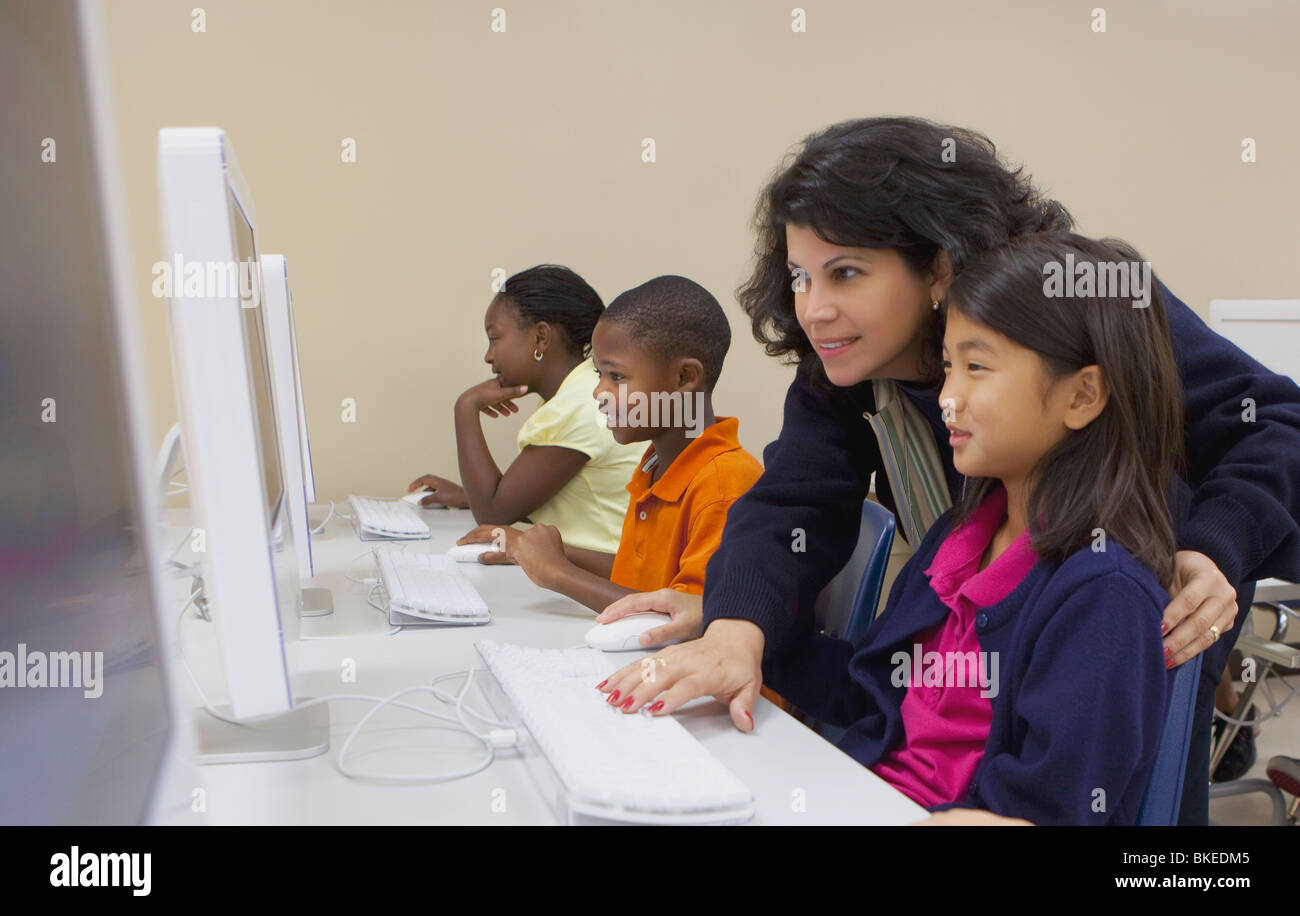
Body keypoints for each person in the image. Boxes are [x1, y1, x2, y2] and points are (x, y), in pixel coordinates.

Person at [594, 117, 1300, 824]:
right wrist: (737, 626)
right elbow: (791, 505)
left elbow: (1271, 420)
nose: (813, 309)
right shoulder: (935, 502)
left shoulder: (1067, 304)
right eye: (800, 276)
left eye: (846, 272)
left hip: (1119, 614)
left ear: (938, 266)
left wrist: (1214, 543)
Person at [604, 233, 1184, 824]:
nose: (948, 399)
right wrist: (738, 629)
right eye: (949, 367)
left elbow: (1056, 811)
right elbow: (872, 695)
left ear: (1083, 395)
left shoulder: (1101, 596)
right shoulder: (958, 542)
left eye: (977, 368)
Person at [457, 276, 762, 615]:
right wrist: (546, 552)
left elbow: (687, 619)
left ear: (684, 379)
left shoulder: (723, 483)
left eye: (616, 377)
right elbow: (640, 581)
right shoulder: (654, 465)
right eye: (599, 374)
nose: (599, 392)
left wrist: (557, 573)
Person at [407, 264, 643, 553]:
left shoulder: (578, 405)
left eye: (494, 338)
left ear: (540, 338)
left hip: (614, 581)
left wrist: (465, 408)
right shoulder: (580, 391)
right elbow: (546, 498)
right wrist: (467, 496)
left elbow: (494, 515)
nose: (488, 356)